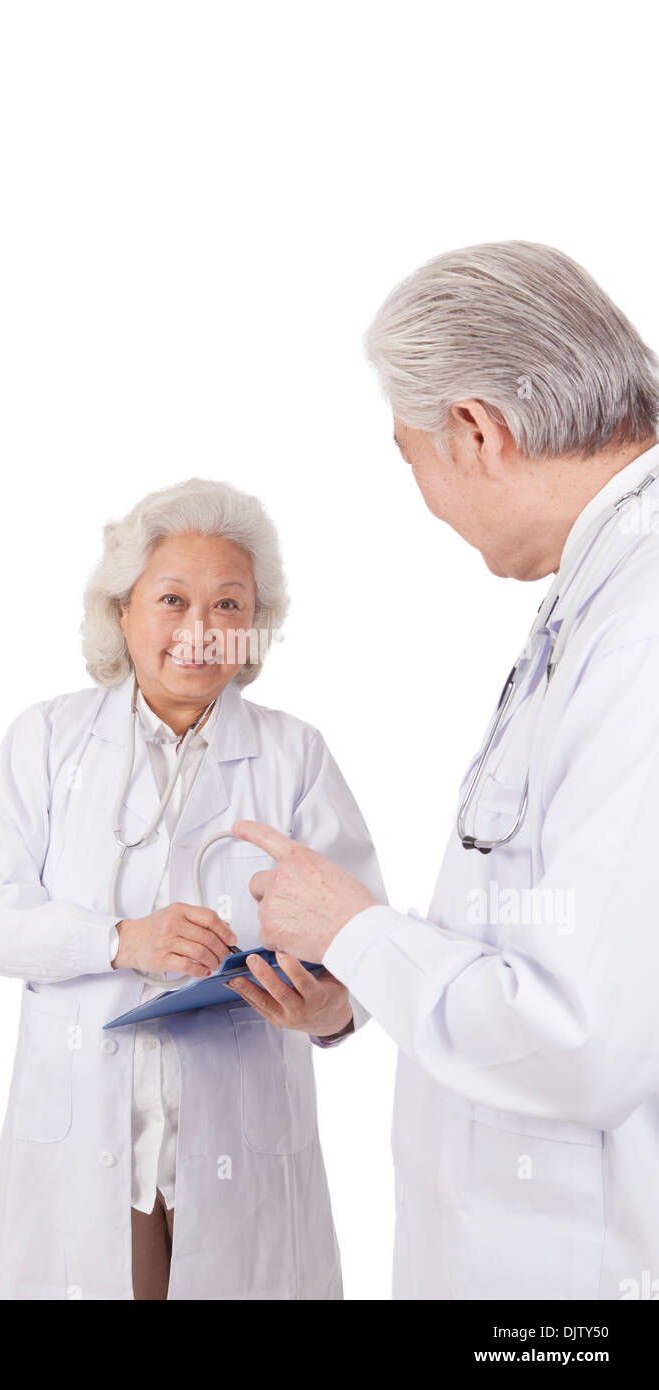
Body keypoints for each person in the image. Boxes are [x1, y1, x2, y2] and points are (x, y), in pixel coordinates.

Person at [230, 241, 659, 1300]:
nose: (419, 492)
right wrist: (355, 983)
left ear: (475, 430)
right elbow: (549, 925)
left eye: (406, 453)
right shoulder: (599, 591)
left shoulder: (641, 622)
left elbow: (580, 1037)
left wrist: (354, 929)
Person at [0, 476, 386, 1300]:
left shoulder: (296, 757)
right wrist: (118, 939)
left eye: (229, 605)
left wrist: (325, 1010)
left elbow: (365, 950)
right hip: (88, 1146)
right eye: (173, 599)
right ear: (123, 612)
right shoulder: (47, 741)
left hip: (239, 1143)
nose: (200, 630)